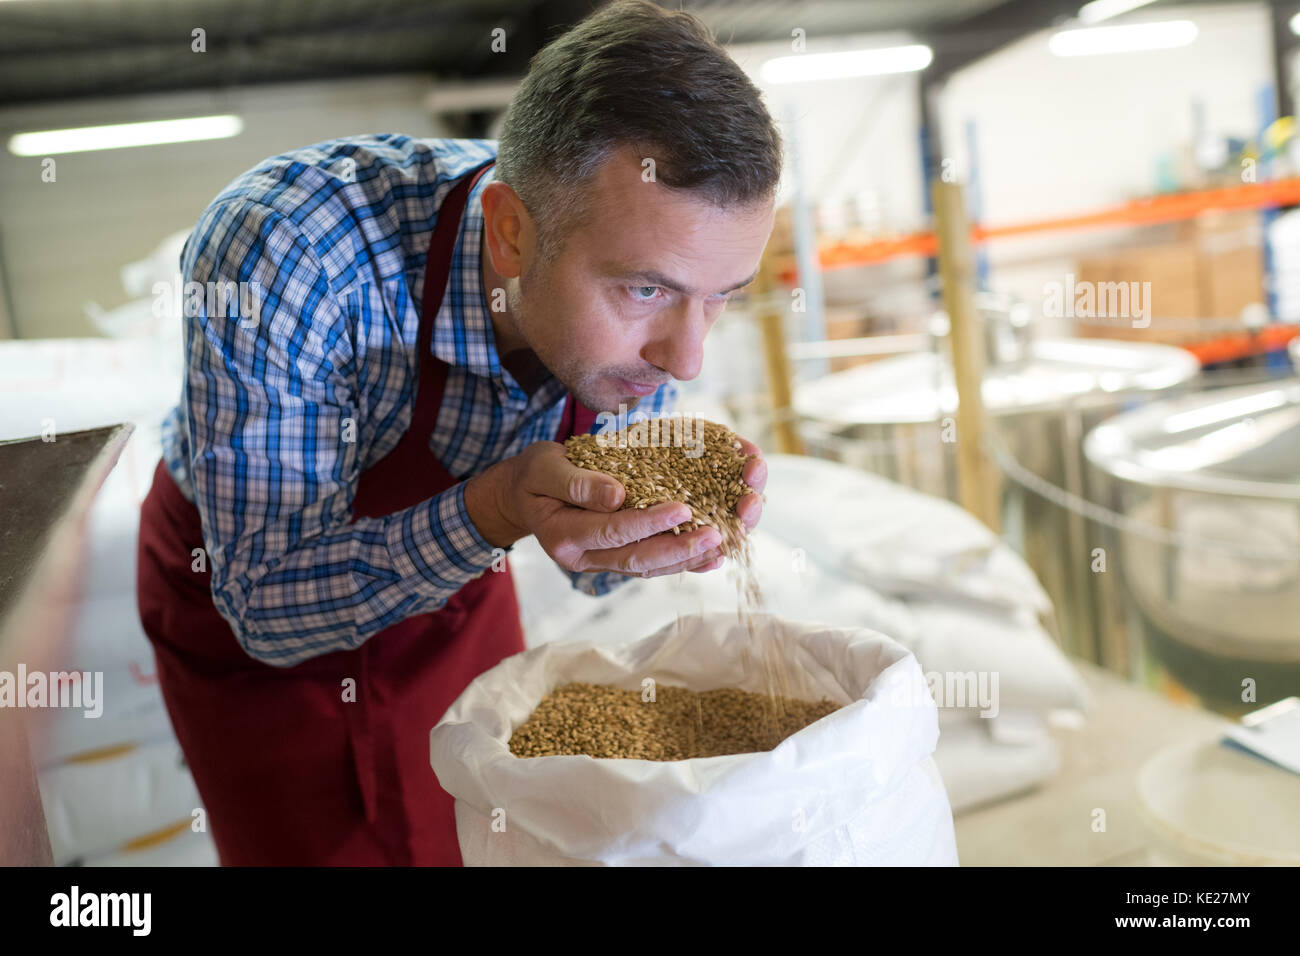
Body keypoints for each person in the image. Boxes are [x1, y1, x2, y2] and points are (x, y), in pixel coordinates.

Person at [136, 0, 781, 865]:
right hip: (256, 599)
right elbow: (263, 603)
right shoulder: (290, 248)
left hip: (456, 577)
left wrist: (637, 534)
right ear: (511, 232)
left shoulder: (626, 276)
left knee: (480, 828)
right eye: (647, 291)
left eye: (723, 295)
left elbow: (581, 567)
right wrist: (494, 507)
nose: (688, 359)